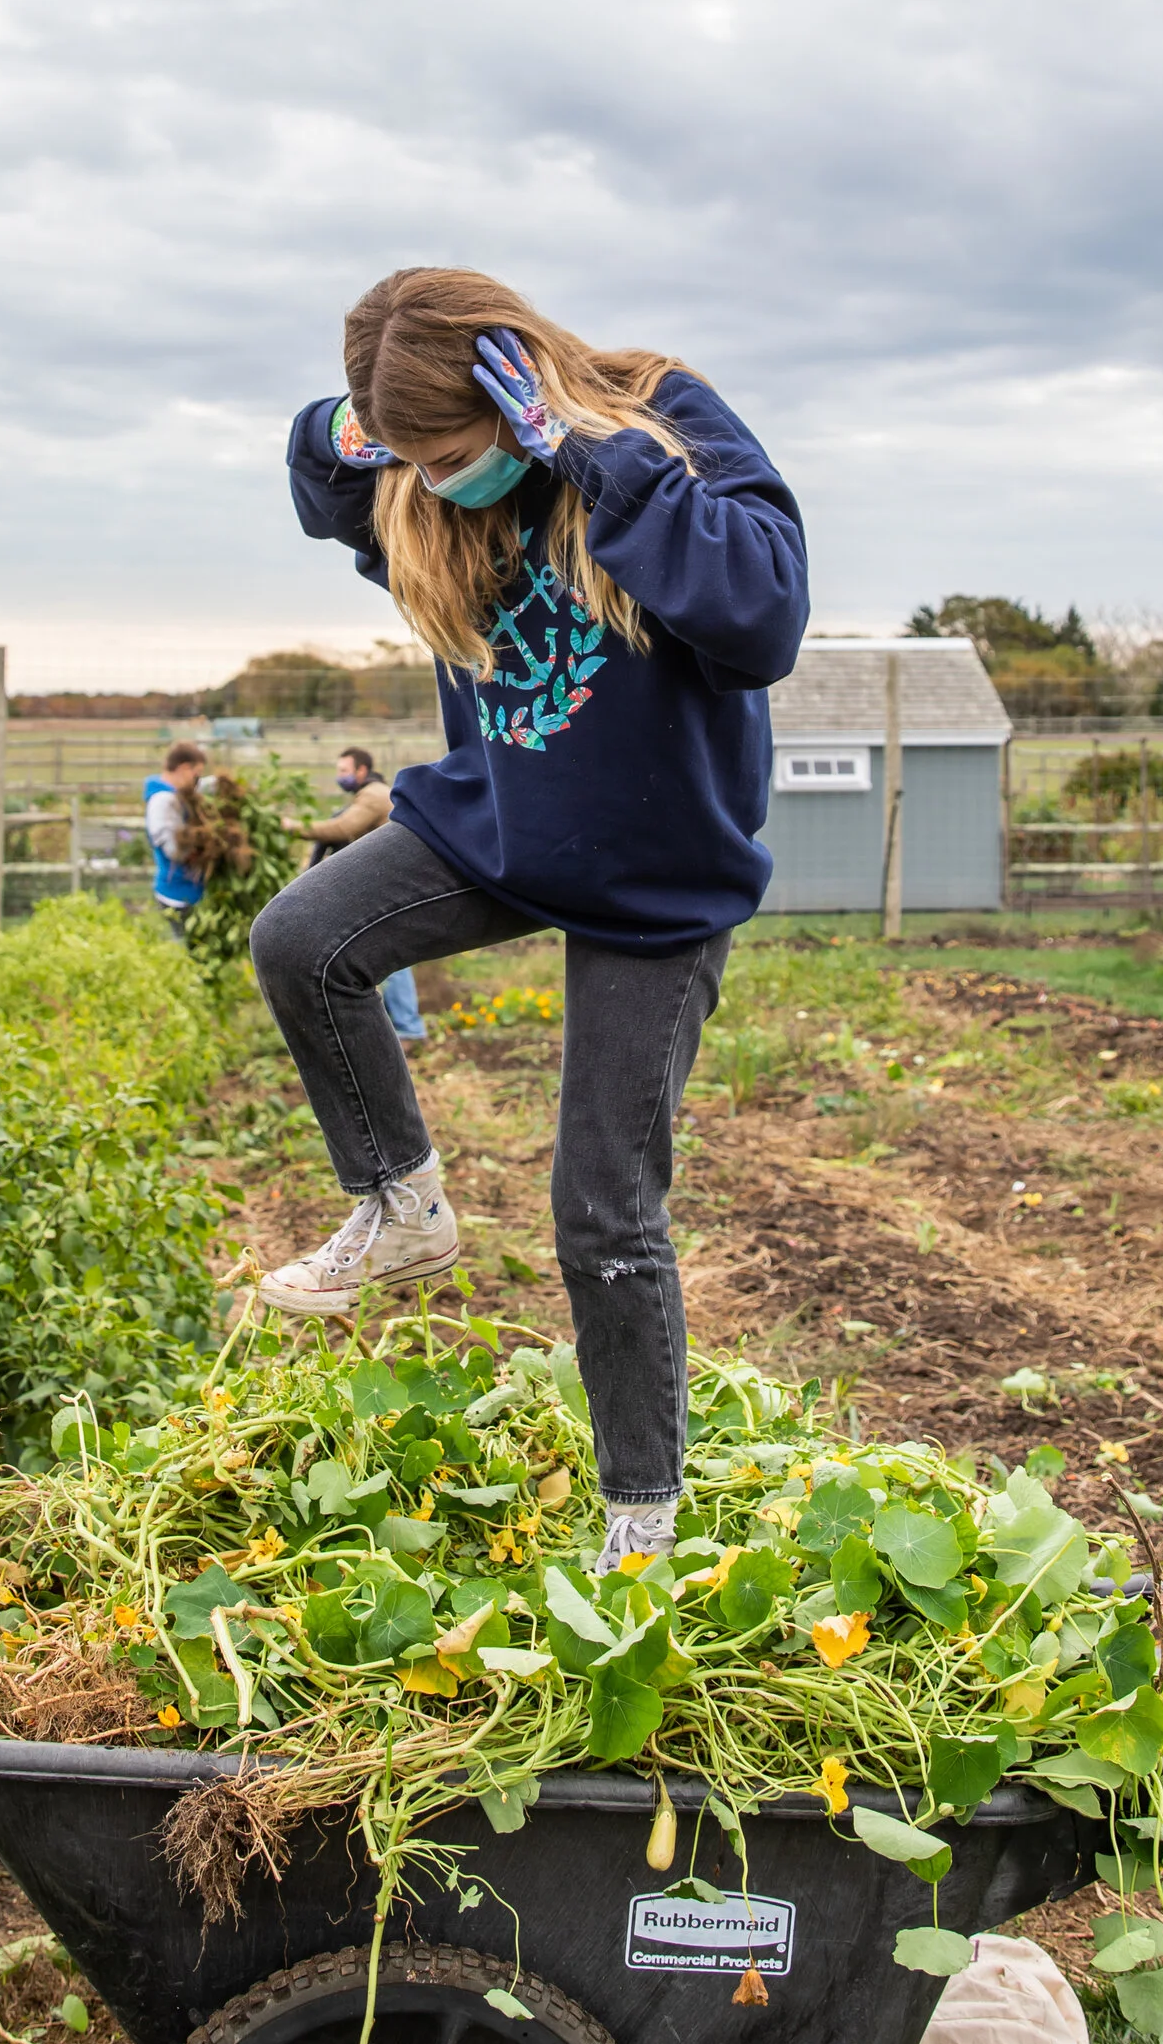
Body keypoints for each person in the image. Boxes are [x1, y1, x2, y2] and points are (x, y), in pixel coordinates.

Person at [250, 265, 808, 1577]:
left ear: (516, 399)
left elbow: (765, 614)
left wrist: (598, 462)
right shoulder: (421, 480)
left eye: (450, 454)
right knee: (300, 943)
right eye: (410, 460)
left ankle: (643, 1521)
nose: (433, 485)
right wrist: (345, 430)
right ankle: (400, 1204)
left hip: (654, 874)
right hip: (499, 825)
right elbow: (321, 483)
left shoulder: (661, 417)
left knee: (602, 1212)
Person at [300, 745, 425, 1042]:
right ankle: (403, 1026)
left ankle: (409, 1028)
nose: (339, 776)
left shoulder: (373, 794)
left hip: (395, 886)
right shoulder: (369, 793)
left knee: (393, 957)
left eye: (344, 771)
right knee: (388, 957)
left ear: (362, 770)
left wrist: (294, 826)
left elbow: (342, 828)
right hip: (391, 884)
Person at [143, 740, 209, 935]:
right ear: (184, 768)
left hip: (187, 890)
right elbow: (174, 850)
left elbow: (203, 787)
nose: (197, 781)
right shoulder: (163, 801)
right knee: (188, 949)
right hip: (178, 892)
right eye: (196, 774)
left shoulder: (174, 795)